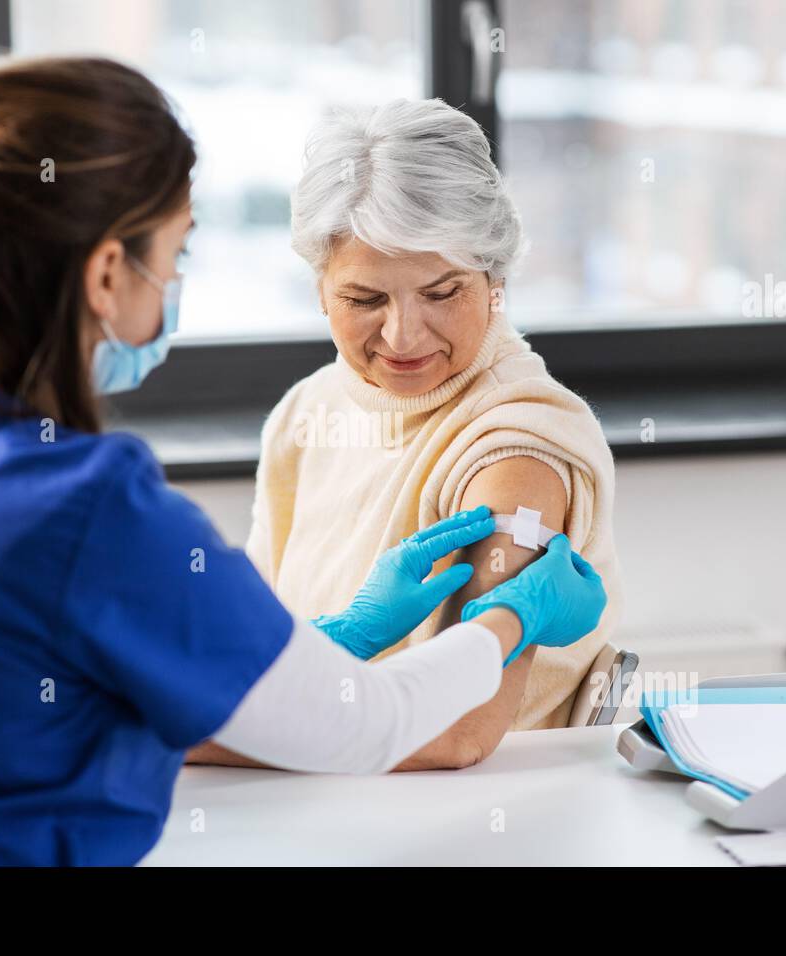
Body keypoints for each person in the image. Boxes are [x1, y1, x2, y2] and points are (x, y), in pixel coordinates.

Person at [0, 57, 607, 866]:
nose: (176, 282)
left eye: (441, 291)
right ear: (105, 276)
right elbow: (374, 723)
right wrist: (512, 617)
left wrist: (335, 640)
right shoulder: (82, 507)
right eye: (176, 252)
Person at [207, 99, 624, 772]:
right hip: (317, 792)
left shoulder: (514, 445)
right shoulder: (305, 412)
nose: (402, 336)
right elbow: (253, 663)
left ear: (496, 281)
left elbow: (460, 733)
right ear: (319, 288)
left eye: (441, 292)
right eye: (364, 299)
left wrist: (197, 732)